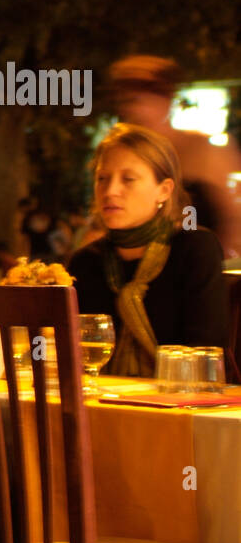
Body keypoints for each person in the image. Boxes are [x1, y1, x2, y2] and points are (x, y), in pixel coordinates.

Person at [68, 123, 226, 376]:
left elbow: (206, 350)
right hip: (101, 404)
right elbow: (71, 356)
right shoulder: (86, 262)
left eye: (128, 179)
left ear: (163, 190)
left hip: (180, 402)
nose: (110, 191)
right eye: (102, 179)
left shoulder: (194, 248)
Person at [108, 55, 241, 259]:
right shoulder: (122, 154)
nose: (136, 108)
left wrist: (211, 265)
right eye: (127, 98)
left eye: (144, 95)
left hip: (198, 268)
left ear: (167, 99)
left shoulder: (203, 149)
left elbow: (232, 219)